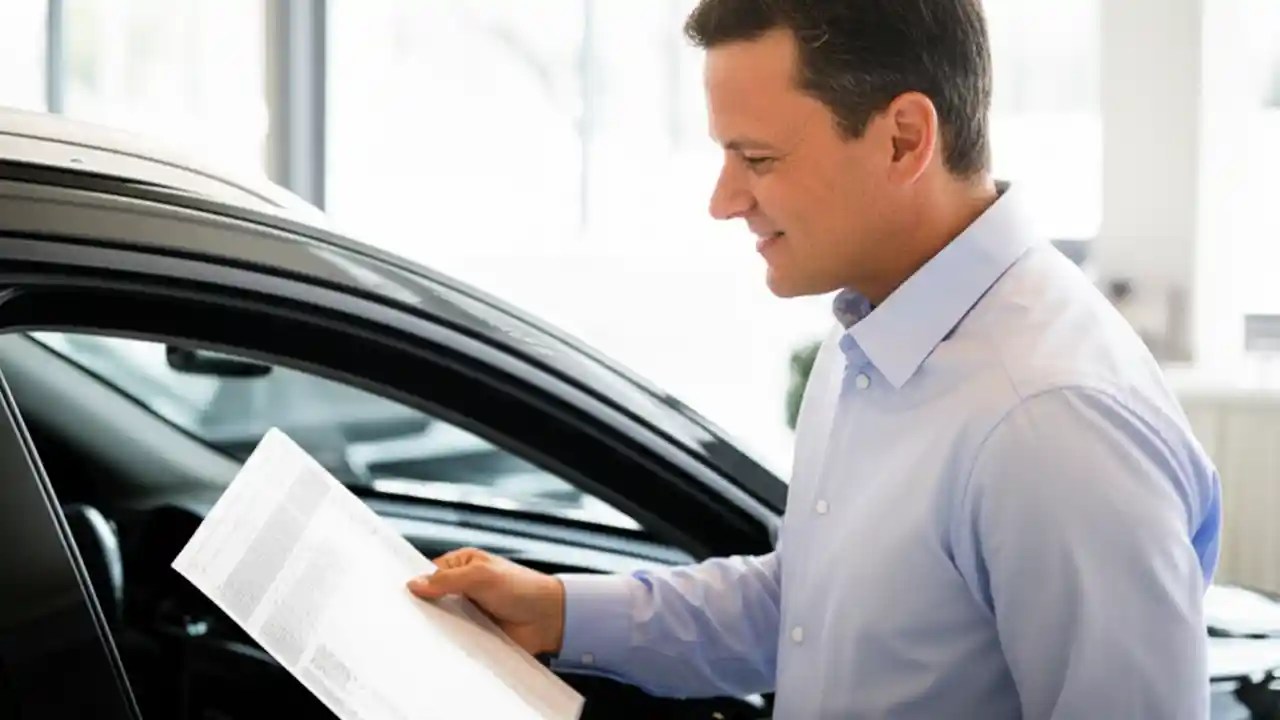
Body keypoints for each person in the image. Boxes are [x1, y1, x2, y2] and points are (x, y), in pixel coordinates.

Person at [407, 0, 1223, 717]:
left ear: (904, 139)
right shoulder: (876, 322)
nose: (724, 200)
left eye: (757, 160)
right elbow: (811, 611)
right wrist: (557, 612)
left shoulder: (1049, 422)